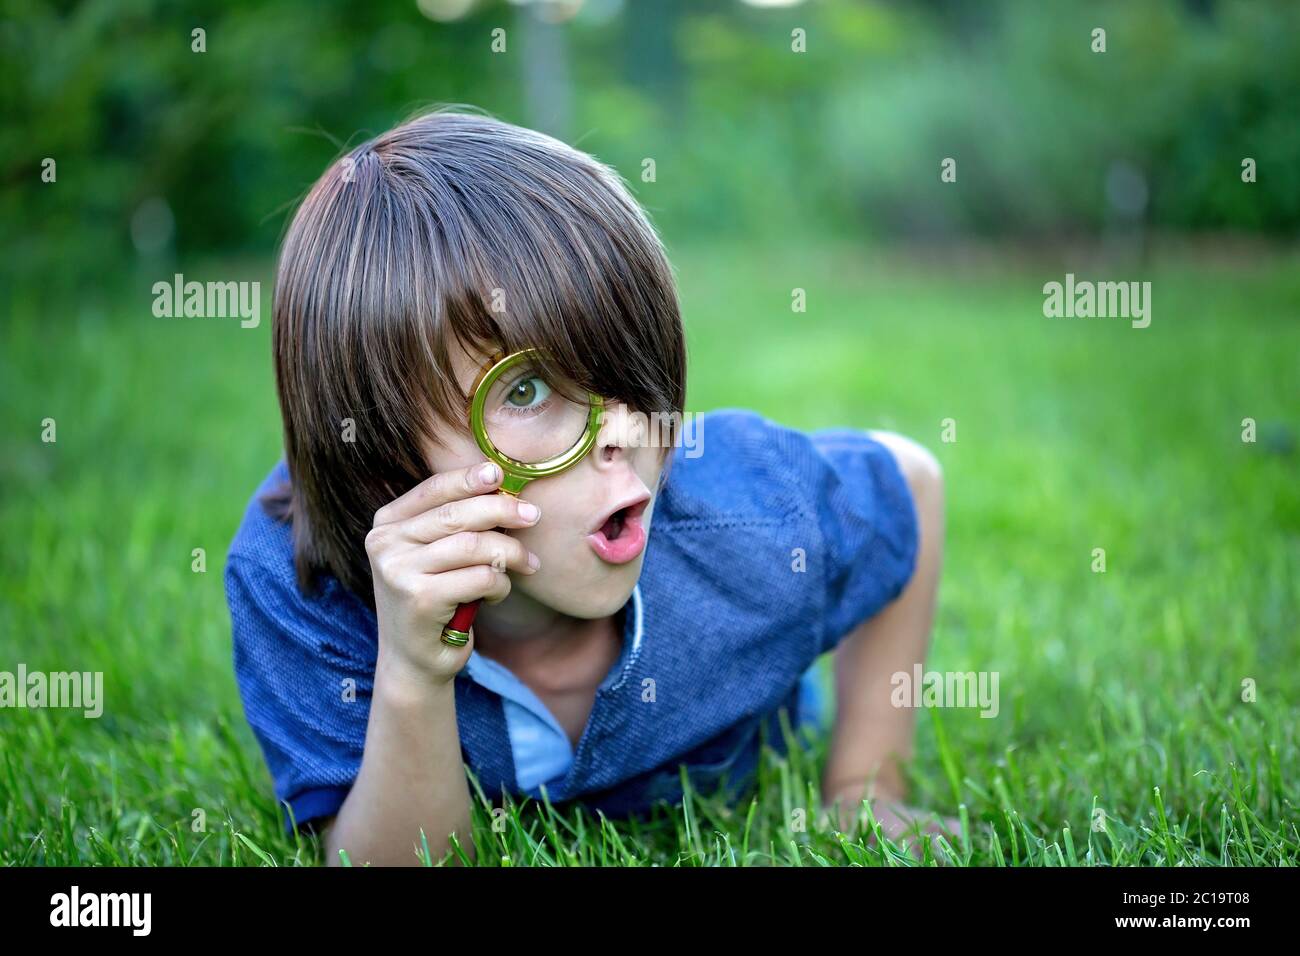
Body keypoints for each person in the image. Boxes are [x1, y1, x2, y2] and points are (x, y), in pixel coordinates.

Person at [225, 108, 952, 866]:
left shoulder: (754, 514)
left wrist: (866, 788)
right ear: (381, 464)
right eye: (526, 391)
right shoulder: (299, 583)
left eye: (629, 356)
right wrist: (412, 677)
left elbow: (912, 482)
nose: (623, 430)